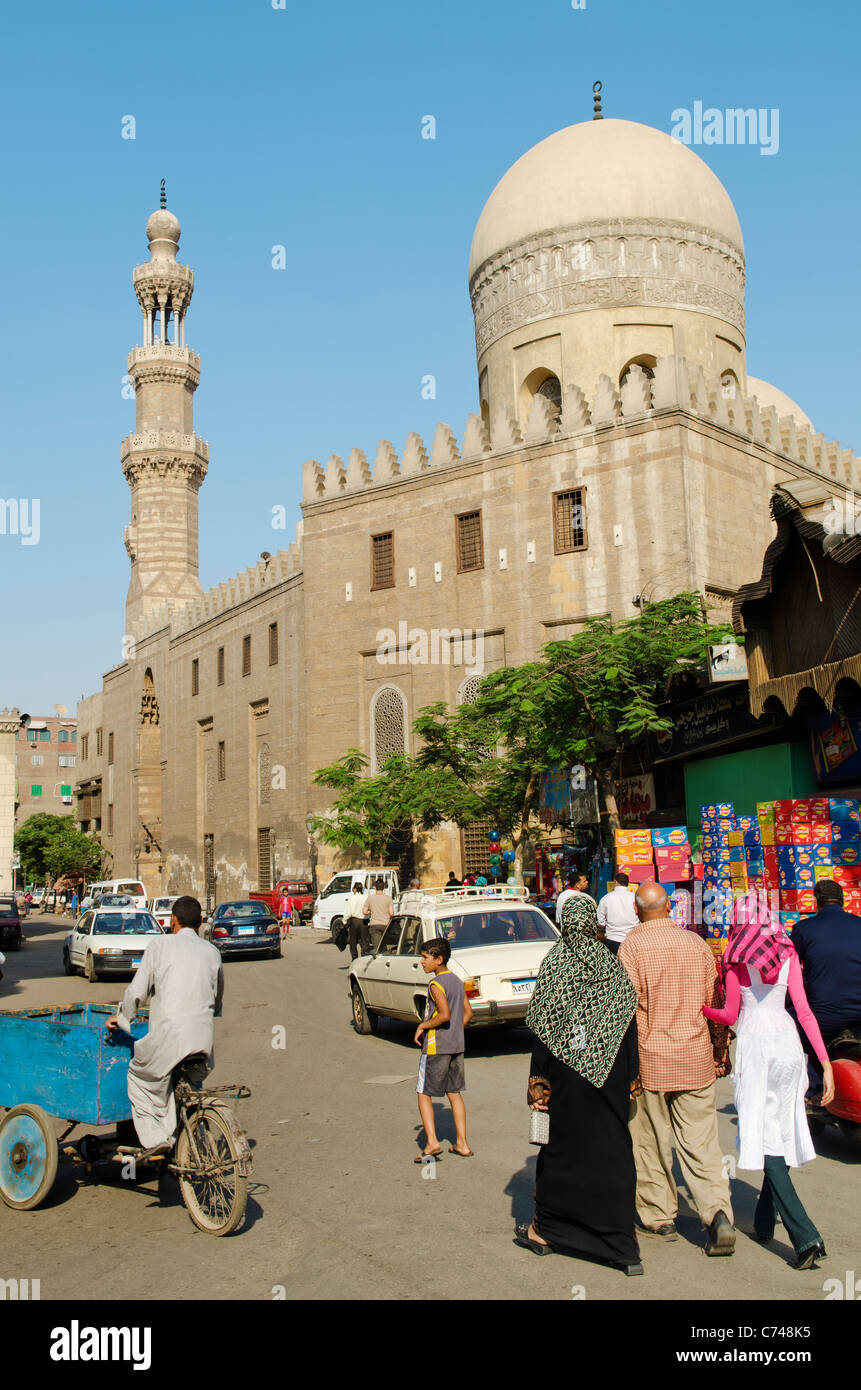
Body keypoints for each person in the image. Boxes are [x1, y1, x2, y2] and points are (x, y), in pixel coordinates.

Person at [703, 895, 833, 1270]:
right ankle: (763, 1220)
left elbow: (729, 1016)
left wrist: (701, 1007)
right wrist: (823, 1063)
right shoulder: (788, 953)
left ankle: (805, 1236)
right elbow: (804, 1010)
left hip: (757, 1047)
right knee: (781, 1126)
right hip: (788, 1045)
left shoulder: (736, 959)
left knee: (763, 1138)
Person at [515, 895, 642, 1275]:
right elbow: (628, 1023)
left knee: (562, 1150)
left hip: (565, 1077)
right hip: (609, 1076)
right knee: (612, 1148)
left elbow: (541, 1024)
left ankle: (547, 1231)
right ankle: (621, 1244)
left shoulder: (555, 962)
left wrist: (538, 1078)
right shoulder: (610, 965)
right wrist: (632, 1073)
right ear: (592, 923)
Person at [619, 882, 735, 1255]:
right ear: (670, 908)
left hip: (650, 1060)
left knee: (650, 1140)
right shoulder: (696, 945)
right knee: (701, 1141)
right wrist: (720, 1050)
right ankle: (716, 1212)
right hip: (695, 1056)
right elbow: (714, 1004)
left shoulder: (632, 947)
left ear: (637, 911)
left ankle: (660, 1215)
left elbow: (624, 1011)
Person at [107, 896, 224, 1155]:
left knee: (139, 1078)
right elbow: (217, 1002)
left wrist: (124, 1017)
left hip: (170, 1039)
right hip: (203, 1044)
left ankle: (157, 1138)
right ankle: (182, 1134)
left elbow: (136, 991)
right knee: (187, 1084)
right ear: (201, 922)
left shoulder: (159, 945)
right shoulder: (212, 951)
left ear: (172, 921)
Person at [414, 938, 473, 1159]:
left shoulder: (435, 984)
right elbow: (467, 1013)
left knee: (423, 1092)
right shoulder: (457, 981)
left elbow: (444, 1014)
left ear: (438, 960)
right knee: (454, 1093)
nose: (422, 962)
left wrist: (423, 1025)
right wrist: (455, 1032)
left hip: (436, 1046)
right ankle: (462, 1143)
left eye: (425, 957)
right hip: (456, 1045)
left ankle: (431, 1142)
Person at [791, 880, 861, 1066]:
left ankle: (814, 1089)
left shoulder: (803, 929)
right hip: (858, 1014)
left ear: (815, 902)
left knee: (797, 1027)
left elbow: (789, 971)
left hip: (824, 1017)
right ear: (843, 901)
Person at [596, 872, 639, 955]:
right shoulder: (635, 897)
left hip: (612, 939)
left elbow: (600, 921)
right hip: (632, 939)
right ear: (627, 883)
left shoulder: (606, 898)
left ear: (615, 882)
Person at [362, 877, 394, 952]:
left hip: (375, 924)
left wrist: (370, 911)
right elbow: (392, 913)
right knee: (384, 945)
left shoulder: (370, 898)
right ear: (383, 888)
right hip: (385, 924)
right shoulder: (388, 898)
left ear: (375, 888)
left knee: (377, 947)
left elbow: (364, 911)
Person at [344, 880, 369, 960]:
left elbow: (348, 912)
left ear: (355, 889)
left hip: (354, 921)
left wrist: (344, 920)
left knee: (353, 941)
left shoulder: (351, 899)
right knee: (364, 941)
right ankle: (364, 956)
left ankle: (354, 957)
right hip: (364, 921)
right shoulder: (366, 897)